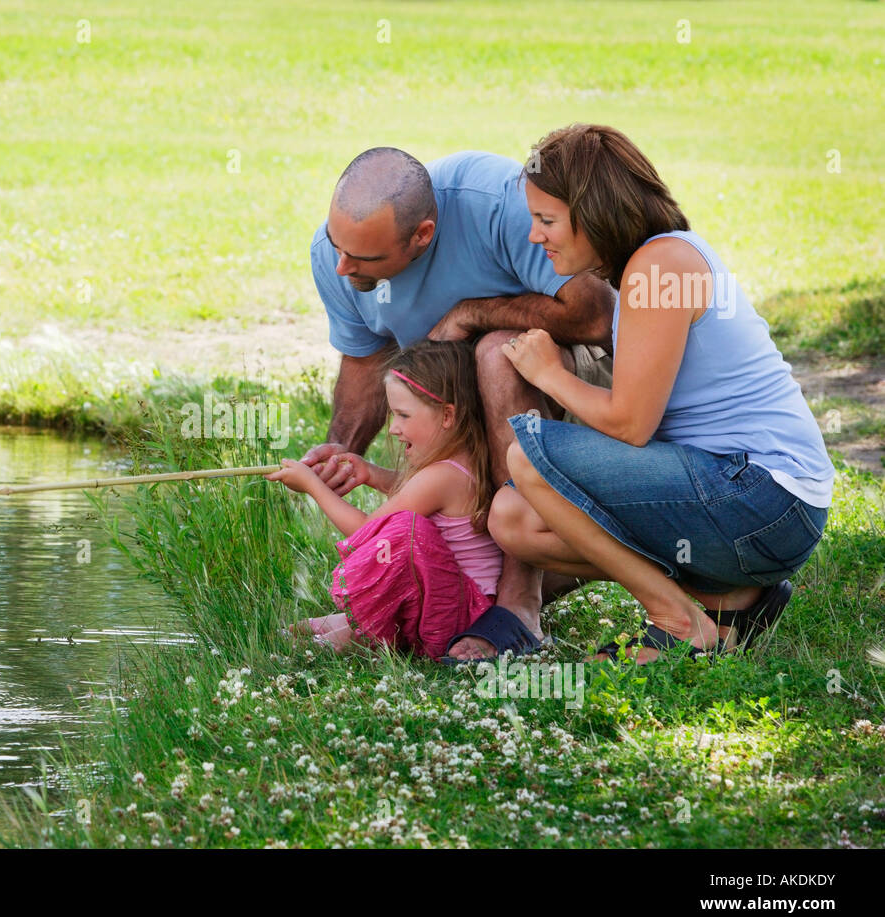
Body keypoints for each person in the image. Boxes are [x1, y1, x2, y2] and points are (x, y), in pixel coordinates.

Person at [476, 123, 834, 664]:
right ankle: (727, 600)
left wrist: (548, 373)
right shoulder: (650, 265)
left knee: (526, 454)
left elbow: (629, 425)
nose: (535, 236)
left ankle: (677, 620)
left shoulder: (660, 267)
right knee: (514, 519)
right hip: (750, 504)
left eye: (547, 220)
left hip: (763, 496)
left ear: (594, 212)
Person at [299, 147, 617, 657]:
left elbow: (595, 315)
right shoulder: (337, 256)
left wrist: (474, 313)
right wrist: (339, 451)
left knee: (494, 354)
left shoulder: (494, 202)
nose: (341, 266)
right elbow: (365, 360)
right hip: (467, 415)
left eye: (364, 259)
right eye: (338, 245)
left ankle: (517, 604)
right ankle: (473, 589)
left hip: (578, 385)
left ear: (423, 234)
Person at [268, 341, 503, 658]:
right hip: (463, 606)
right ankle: (338, 629)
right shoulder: (461, 465)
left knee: (402, 532)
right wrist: (373, 474)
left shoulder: (441, 477)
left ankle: (355, 635)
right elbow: (421, 499)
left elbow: (369, 532)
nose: (393, 428)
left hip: (459, 618)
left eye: (403, 415)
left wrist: (312, 486)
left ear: (448, 415)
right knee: (318, 625)